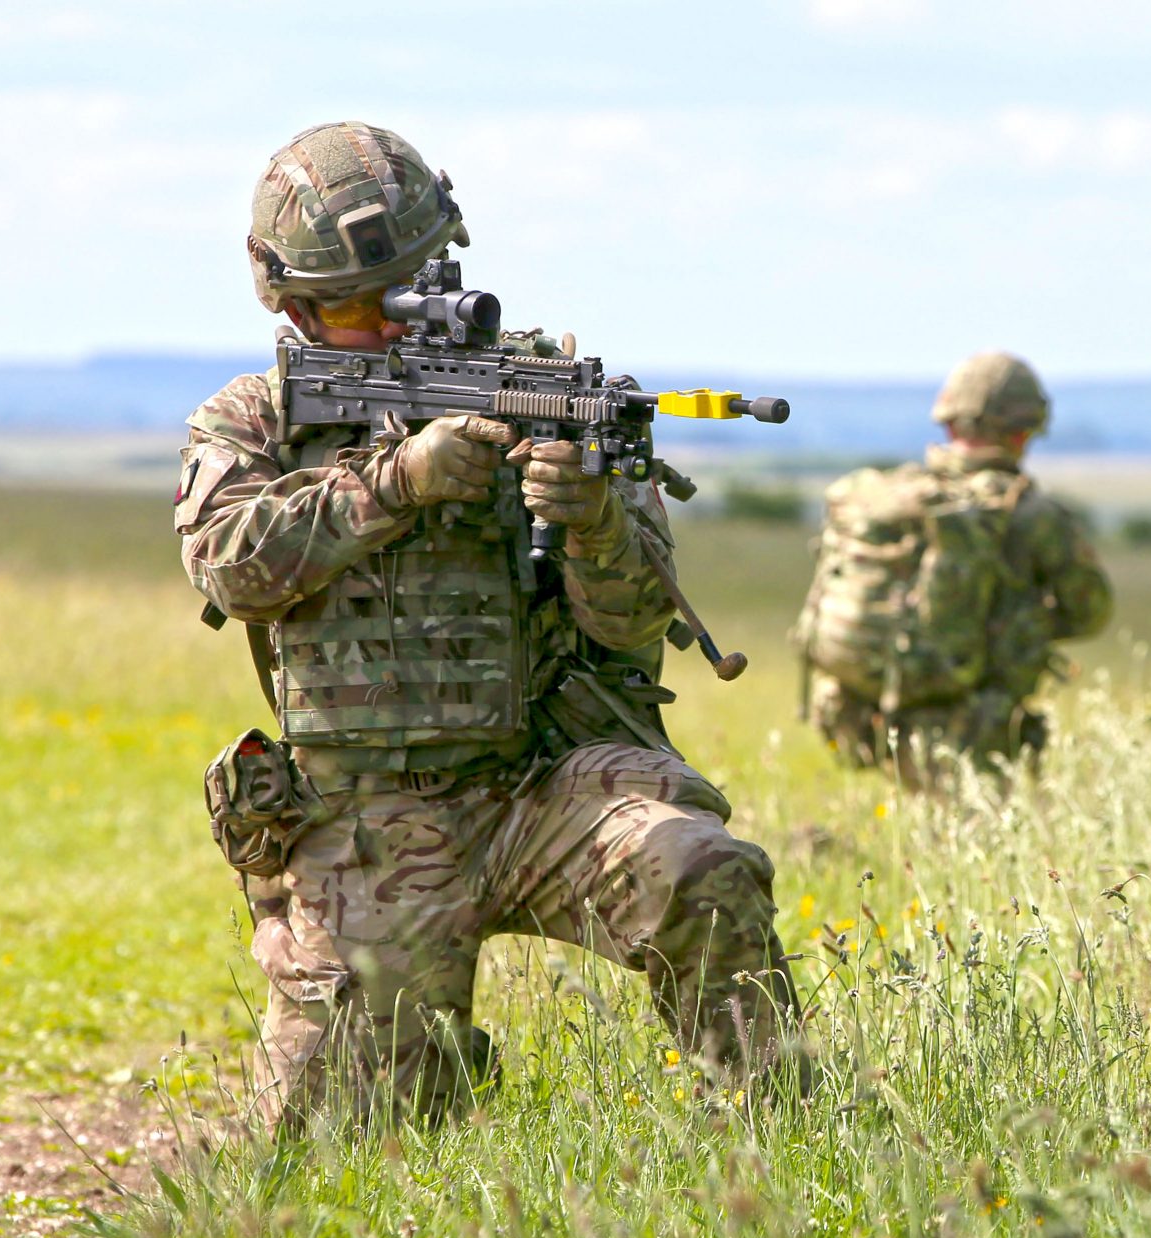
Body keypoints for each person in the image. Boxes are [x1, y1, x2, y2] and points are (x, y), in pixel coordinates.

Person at [177, 121, 800, 1126]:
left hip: (543, 783)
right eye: (351, 304)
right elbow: (227, 563)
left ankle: (786, 1143)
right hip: (368, 818)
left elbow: (635, 620)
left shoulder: (541, 391)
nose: (385, 324)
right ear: (285, 299)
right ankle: (439, 1083)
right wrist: (397, 482)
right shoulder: (254, 418)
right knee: (347, 1146)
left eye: (408, 290)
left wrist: (591, 521)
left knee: (703, 871)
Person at [797, 351, 1113, 787]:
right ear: (1025, 431)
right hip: (973, 724)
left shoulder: (892, 495)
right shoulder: (1028, 512)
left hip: (868, 707)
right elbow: (1090, 610)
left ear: (948, 424)